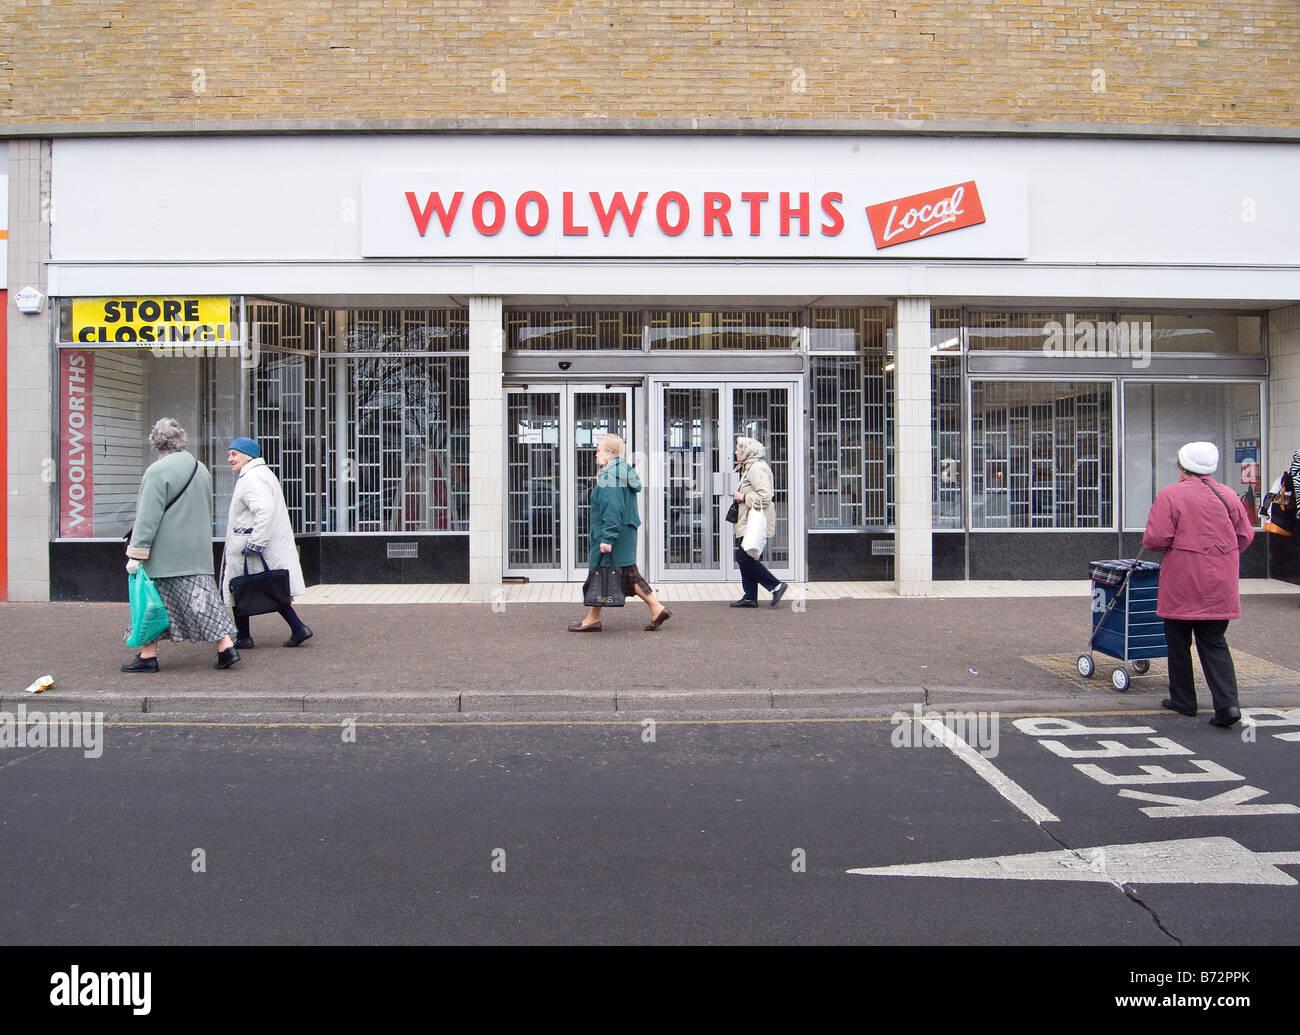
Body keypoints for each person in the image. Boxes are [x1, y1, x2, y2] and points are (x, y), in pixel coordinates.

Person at [1142, 441, 1255, 728]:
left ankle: (1184, 701)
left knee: (1178, 642)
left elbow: (1155, 539)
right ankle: (1227, 703)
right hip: (1220, 582)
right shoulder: (1228, 495)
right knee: (1214, 642)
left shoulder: (1171, 495)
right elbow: (1245, 535)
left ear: (1182, 468)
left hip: (1182, 580)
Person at [122, 418, 240, 671]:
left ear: (156, 442)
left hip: (165, 554)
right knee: (205, 603)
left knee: (150, 604)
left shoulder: (157, 472)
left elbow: (147, 517)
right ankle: (226, 647)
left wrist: (136, 553)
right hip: (197, 551)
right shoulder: (200, 468)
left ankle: (147, 657)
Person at [568, 434, 671, 632]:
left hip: (613, 534)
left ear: (607, 454)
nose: (596, 454)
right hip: (624, 533)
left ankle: (593, 619)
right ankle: (657, 608)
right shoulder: (623, 471)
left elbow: (613, 508)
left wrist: (607, 538)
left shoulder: (609, 477)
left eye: (598, 450)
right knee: (627, 574)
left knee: (599, 571)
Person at [219, 437, 312, 648]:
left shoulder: (252, 478)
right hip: (256, 545)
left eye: (234, 454)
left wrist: (255, 542)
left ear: (248, 455)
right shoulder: (259, 474)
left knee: (241, 587)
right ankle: (296, 628)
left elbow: (264, 510)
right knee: (265, 588)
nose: (229, 459)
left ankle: (247, 637)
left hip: (250, 547)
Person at [730, 436, 788, 608]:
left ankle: (776, 585)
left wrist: (743, 496)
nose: (735, 452)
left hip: (753, 521)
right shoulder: (748, 467)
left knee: (745, 557)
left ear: (747, 451)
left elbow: (766, 496)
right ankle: (750, 597)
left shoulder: (756, 468)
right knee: (747, 558)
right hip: (747, 520)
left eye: (738, 449)